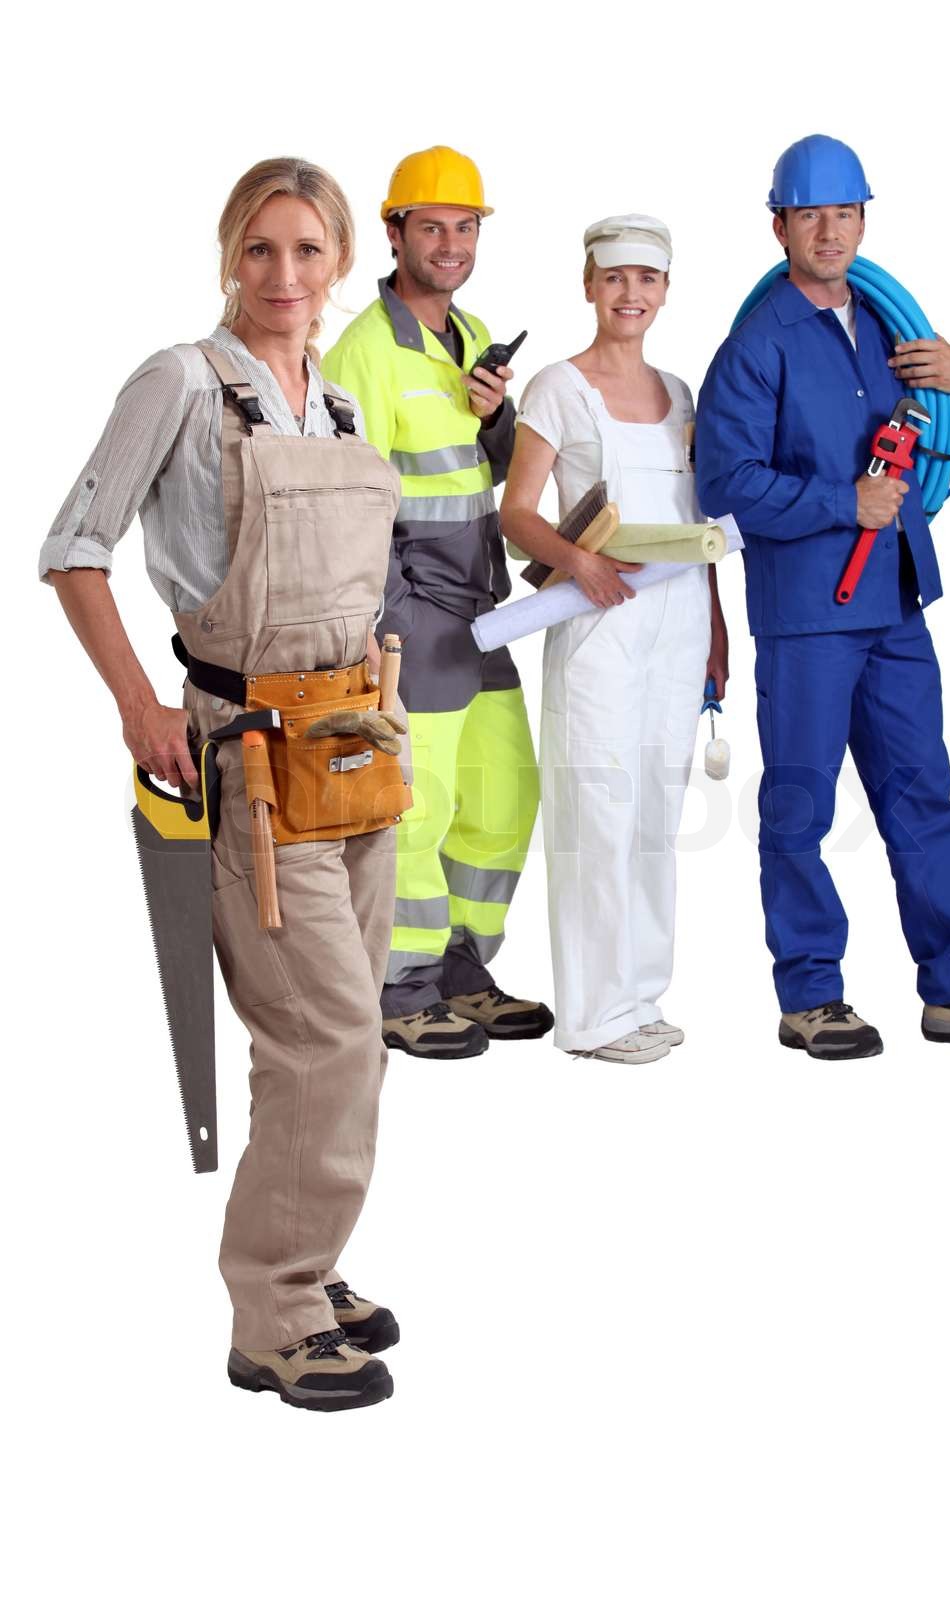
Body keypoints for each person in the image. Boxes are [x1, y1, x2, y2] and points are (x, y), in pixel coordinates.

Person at [40, 158, 409, 1410]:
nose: (284, 277)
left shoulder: (343, 411)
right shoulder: (180, 383)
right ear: (227, 259)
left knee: (338, 1035)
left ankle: (308, 1257)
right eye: (261, 250)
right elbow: (73, 549)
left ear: (339, 263)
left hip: (357, 745)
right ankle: (275, 1310)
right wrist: (140, 702)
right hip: (245, 752)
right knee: (327, 1033)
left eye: (308, 252)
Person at [696, 134, 950, 1058]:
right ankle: (811, 997)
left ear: (864, 218)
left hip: (894, 601)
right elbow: (724, 483)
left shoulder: (889, 325)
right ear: (778, 224)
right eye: (810, 213)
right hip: (810, 613)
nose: (829, 229)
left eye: (844, 212)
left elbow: (935, 443)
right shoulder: (754, 345)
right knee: (800, 806)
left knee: (923, 795)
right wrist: (837, 500)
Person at [322, 146, 553, 1060]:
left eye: (466, 227)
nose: (451, 244)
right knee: (418, 806)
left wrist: (493, 418)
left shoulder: (469, 333)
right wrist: (392, 627)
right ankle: (400, 987)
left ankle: (461, 968)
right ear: (394, 233)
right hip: (415, 617)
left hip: (484, 609)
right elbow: (348, 509)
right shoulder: (361, 355)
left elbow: (481, 472)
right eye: (432, 227)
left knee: (504, 794)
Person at [500, 216, 729, 1062]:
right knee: (597, 808)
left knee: (654, 816)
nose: (630, 294)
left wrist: (716, 630)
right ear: (588, 286)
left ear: (665, 291)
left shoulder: (682, 393)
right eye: (614, 278)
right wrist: (577, 565)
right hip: (597, 624)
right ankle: (592, 1017)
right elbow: (517, 511)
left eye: (647, 279)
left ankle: (640, 998)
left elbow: (702, 526)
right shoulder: (559, 387)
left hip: (678, 624)